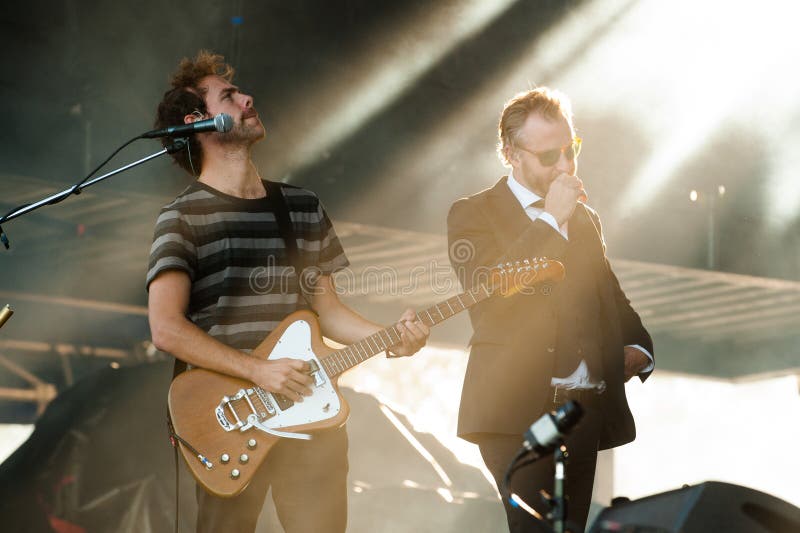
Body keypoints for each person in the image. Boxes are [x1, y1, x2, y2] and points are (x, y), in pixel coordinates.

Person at [146, 50, 430, 533]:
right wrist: (258, 370)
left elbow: (329, 313)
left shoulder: (301, 205)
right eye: (229, 96)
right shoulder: (181, 216)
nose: (247, 98)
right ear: (198, 122)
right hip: (230, 419)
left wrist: (392, 337)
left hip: (310, 412)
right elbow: (166, 328)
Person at [447, 87, 654, 533]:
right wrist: (549, 222)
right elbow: (491, 294)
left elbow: (609, 298)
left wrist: (639, 347)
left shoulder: (585, 219)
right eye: (548, 156)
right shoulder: (473, 214)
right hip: (513, 411)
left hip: (581, 410)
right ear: (511, 153)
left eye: (570, 150)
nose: (564, 166)